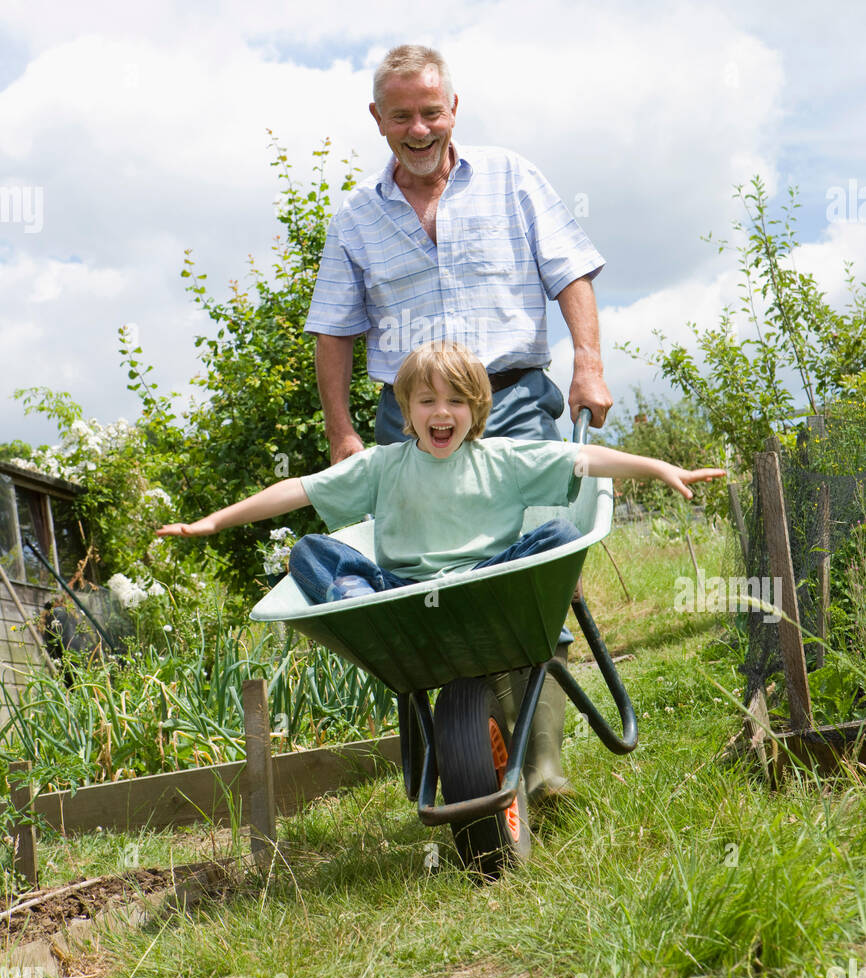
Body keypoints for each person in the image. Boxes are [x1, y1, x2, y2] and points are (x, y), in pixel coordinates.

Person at [156, 342, 725, 805]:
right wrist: (216, 520)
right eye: (426, 400)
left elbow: (582, 461)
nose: (441, 412)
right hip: (402, 595)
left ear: (478, 410)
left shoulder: (502, 458)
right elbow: (300, 490)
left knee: (556, 537)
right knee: (309, 551)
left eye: (456, 400)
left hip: (491, 582)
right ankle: (360, 598)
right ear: (407, 413)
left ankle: (534, 756)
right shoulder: (384, 465)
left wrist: (658, 467)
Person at [305, 43, 614, 465]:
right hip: (409, 422)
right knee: (418, 533)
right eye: (401, 116)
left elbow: (571, 273)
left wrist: (589, 368)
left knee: (546, 529)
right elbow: (333, 331)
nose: (419, 130)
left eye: (431, 112)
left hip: (515, 404)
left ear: (452, 107)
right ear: (378, 119)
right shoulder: (356, 215)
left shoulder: (511, 175)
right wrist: (340, 432)